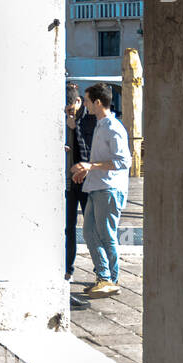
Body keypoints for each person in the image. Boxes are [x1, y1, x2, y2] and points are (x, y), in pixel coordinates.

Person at [71, 83, 130, 296]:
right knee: (89, 232)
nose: (84, 104)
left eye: (87, 101)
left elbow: (123, 161)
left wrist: (90, 166)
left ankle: (110, 279)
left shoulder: (113, 127)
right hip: (97, 186)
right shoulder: (100, 125)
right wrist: (87, 171)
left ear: (97, 102)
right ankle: (104, 277)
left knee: (106, 234)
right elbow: (101, 159)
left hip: (110, 188)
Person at [64, 82, 97, 280]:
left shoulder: (90, 120)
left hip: (86, 182)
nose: (68, 113)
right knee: (68, 227)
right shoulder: (62, 119)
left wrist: (74, 128)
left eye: (70, 109)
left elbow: (89, 152)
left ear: (78, 102)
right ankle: (68, 268)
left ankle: (100, 271)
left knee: (90, 227)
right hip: (69, 183)